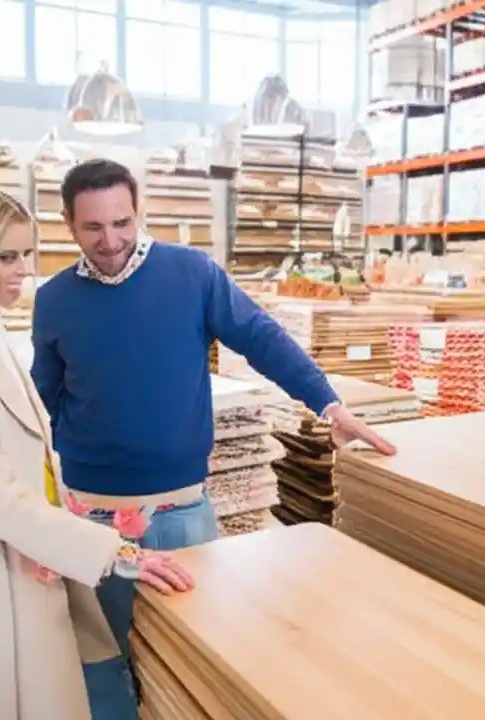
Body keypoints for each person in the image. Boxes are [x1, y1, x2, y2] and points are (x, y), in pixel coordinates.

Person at [30, 159, 396, 717]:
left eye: (122, 223)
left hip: (181, 513)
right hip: (91, 519)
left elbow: (260, 337)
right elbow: (44, 399)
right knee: (100, 663)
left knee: (190, 658)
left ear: (140, 210)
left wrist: (327, 403)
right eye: (93, 228)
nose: (111, 241)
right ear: (67, 224)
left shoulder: (191, 275)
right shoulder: (54, 299)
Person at [0, 187, 194, 720]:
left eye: (27, 254)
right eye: (7, 257)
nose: (25, 271)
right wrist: (119, 554)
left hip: (26, 559)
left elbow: (30, 454)